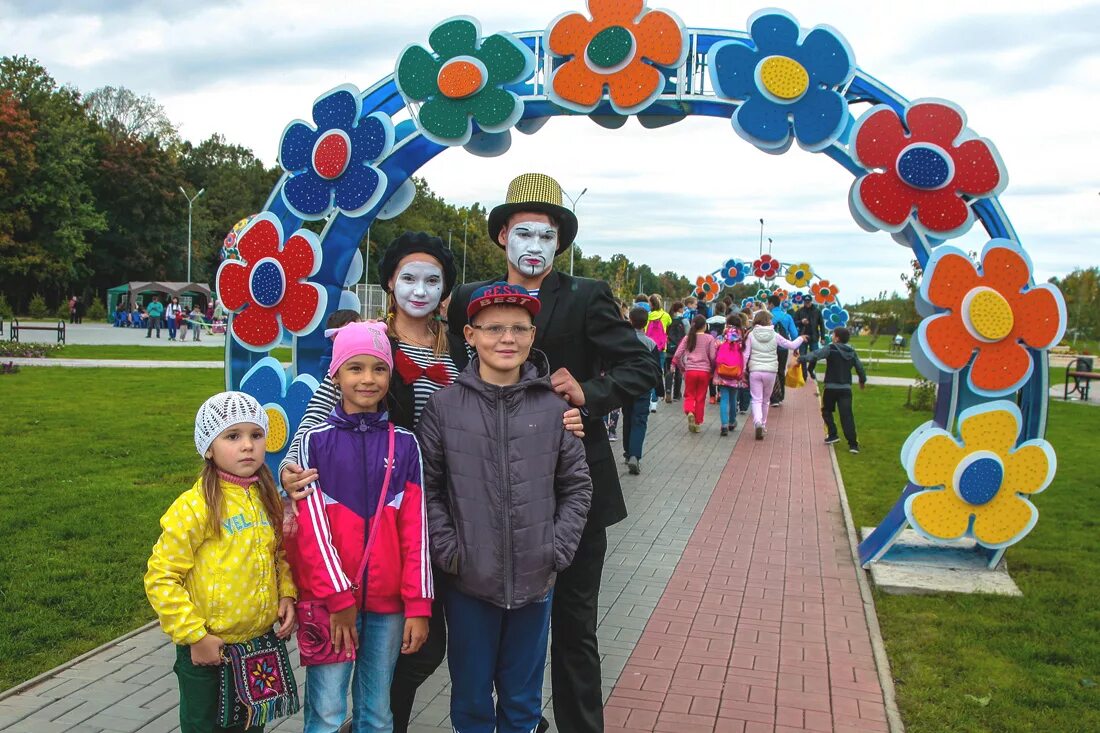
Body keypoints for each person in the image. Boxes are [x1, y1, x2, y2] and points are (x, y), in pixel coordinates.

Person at [281, 231, 586, 732]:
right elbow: (317, 426)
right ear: (390, 282)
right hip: (392, 527)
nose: (419, 290)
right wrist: (292, 470)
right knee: (398, 658)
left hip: (441, 529)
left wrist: (561, 419)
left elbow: (506, 405)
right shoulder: (369, 343)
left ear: (446, 290)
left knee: (421, 651)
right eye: (408, 277)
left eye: (433, 280)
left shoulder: (455, 356)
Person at [447, 173, 655, 733]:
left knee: (573, 630)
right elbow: (457, 383)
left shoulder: (586, 296)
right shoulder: (470, 300)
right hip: (491, 502)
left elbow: (643, 366)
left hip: (573, 493)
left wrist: (589, 397)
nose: (534, 246)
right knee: (494, 630)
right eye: (523, 233)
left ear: (560, 242)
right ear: (501, 238)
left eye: (546, 234)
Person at [419, 282, 593, 733]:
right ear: (470, 335)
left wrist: (556, 548)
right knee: (472, 700)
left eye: (518, 328)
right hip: (469, 582)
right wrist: (450, 551)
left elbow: (577, 485)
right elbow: (428, 488)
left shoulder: (554, 408)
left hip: (536, 581)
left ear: (533, 336)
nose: (507, 338)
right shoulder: (444, 408)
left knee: (522, 701)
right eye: (493, 328)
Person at [291, 321, 432, 733]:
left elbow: (416, 530)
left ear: (390, 375)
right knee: (328, 710)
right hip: (329, 605)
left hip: (389, 609)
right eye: (355, 368)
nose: (367, 379)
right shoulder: (315, 441)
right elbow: (311, 529)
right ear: (335, 375)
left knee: (376, 712)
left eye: (378, 368)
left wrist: (419, 605)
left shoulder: (405, 444)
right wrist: (338, 599)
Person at [145, 391, 298, 733]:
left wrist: (286, 594)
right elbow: (161, 577)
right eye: (233, 436)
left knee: (249, 726)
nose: (248, 446)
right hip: (207, 651)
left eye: (256, 435)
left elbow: (276, 553)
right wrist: (194, 636)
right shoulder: (194, 506)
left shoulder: (265, 497)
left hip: (257, 645)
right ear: (209, 447)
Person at [800, 326, 867, 453]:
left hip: (830, 388)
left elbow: (815, 355)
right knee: (847, 416)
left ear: (836, 338)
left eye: (833, 335)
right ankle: (853, 445)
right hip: (846, 389)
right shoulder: (851, 352)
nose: (831, 336)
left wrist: (800, 359)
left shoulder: (831, 348)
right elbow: (859, 367)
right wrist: (862, 380)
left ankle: (833, 434)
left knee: (826, 411)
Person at [744, 310, 805, 440]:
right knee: (766, 401)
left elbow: (746, 354)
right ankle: (763, 425)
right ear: (767, 321)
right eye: (770, 320)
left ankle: (757, 422)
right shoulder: (775, 335)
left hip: (755, 370)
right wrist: (801, 338)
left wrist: (743, 369)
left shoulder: (750, 335)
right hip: (771, 372)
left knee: (756, 399)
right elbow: (791, 345)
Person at [622, 306, 662, 474]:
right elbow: (656, 369)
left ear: (630, 321)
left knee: (627, 418)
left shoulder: (623, 341)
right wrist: (659, 390)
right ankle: (635, 455)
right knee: (640, 420)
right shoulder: (651, 344)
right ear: (646, 323)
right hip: (643, 387)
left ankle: (627, 451)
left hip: (624, 385)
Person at [671, 314, 717, 433]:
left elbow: (677, 354)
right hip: (704, 371)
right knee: (701, 397)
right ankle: (697, 422)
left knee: (689, 394)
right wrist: (712, 369)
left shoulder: (688, 338)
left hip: (690, 370)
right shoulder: (709, 338)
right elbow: (713, 356)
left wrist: (681, 367)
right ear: (705, 326)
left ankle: (690, 411)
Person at [713, 313, 748, 436]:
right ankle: (732, 422)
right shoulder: (742, 337)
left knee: (724, 398)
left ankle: (723, 425)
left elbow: (715, 347)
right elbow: (745, 352)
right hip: (736, 371)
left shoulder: (723, 336)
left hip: (722, 371)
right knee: (733, 398)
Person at [767, 295, 799, 407]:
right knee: (781, 370)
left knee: (770, 370)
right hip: (783, 347)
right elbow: (794, 333)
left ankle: (772, 396)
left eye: (768, 304)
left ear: (771, 304)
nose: (767, 306)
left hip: (770, 348)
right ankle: (780, 396)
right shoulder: (787, 316)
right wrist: (795, 348)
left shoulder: (768, 316)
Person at [645, 294, 671, 412]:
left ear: (651, 304)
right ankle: (654, 402)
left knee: (648, 373)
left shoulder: (648, 316)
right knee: (658, 373)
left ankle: (648, 397)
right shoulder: (665, 316)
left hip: (649, 347)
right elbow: (669, 324)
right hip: (661, 349)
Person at [663, 300, 686, 403]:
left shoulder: (668, 318)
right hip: (680, 349)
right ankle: (677, 395)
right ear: (680, 309)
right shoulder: (684, 320)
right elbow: (688, 333)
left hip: (669, 347)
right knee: (678, 372)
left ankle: (668, 391)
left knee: (668, 370)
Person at [797, 300, 826, 380]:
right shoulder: (800, 311)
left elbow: (822, 324)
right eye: (806, 302)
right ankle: (804, 374)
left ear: (811, 302)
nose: (807, 304)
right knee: (803, 355)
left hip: (814, 336)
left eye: (808, 302)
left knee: (816, 355)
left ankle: (810, 369)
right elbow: (794, 322)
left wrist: (823, 337)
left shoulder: (817, 311)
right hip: (803, 336)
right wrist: (801, 322)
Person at [704, 302, 726, 404]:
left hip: (710, 349)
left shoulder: (708, 321)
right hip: (722, 350)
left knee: (711, 373)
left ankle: (712, 396)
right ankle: (720, 393)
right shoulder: (726, 321)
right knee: (721, 372)